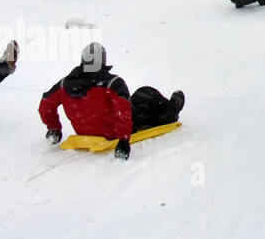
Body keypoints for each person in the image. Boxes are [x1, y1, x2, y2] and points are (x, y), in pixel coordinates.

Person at [39, 43, 185, 160]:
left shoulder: (65, 84)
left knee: (134, 102)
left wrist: (54, 128)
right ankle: (171, 111)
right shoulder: (111, 83)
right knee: (144, 94)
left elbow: (46, 104)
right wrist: (123, 140)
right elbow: (123, 111)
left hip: (84, 130)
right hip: (112, 133)